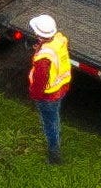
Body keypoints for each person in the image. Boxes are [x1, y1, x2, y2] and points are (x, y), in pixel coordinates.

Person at [27, 12, 72, 163]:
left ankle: (54, 155)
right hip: (61, 88)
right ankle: (55, 143)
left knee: (50, 123)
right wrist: (40, 47)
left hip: (48, 96)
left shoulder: (44, 58)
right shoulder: (59, 39)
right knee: (54, 118)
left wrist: (34, 95)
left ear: (39, 35)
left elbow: (40, 81)